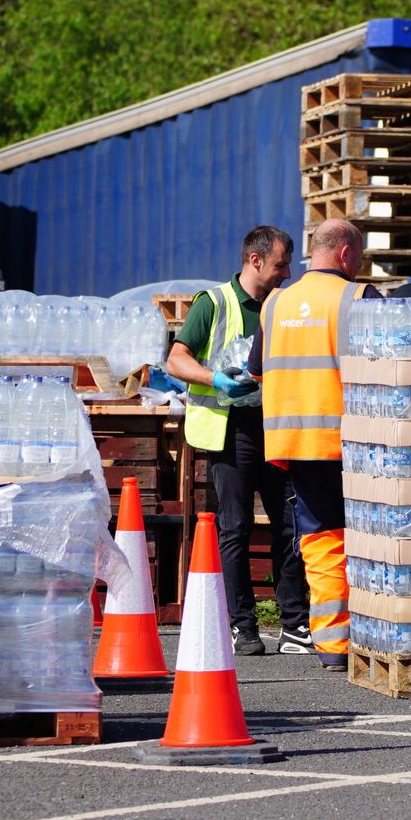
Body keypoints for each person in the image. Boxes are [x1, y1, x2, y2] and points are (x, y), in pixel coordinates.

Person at [164, 226, 311, 656]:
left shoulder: (282, 306)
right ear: (256, 260)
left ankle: (293, 624)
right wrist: (216, 380)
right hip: (231, 429)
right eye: (282, 263)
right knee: (236, 527)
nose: (287, 272)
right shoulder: (214, 303)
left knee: (290, 526)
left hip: (276, 426)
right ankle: (242, 626)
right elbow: (175, 359)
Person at [248, 219, 379, 669]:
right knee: (373, 538)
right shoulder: (357, 298)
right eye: (358, 256)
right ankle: (375, 633)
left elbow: (256, 370)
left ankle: (333, 645)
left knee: (320, 538)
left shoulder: (275, 303)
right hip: (353, 441)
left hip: (293, 441)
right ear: (345, 254)